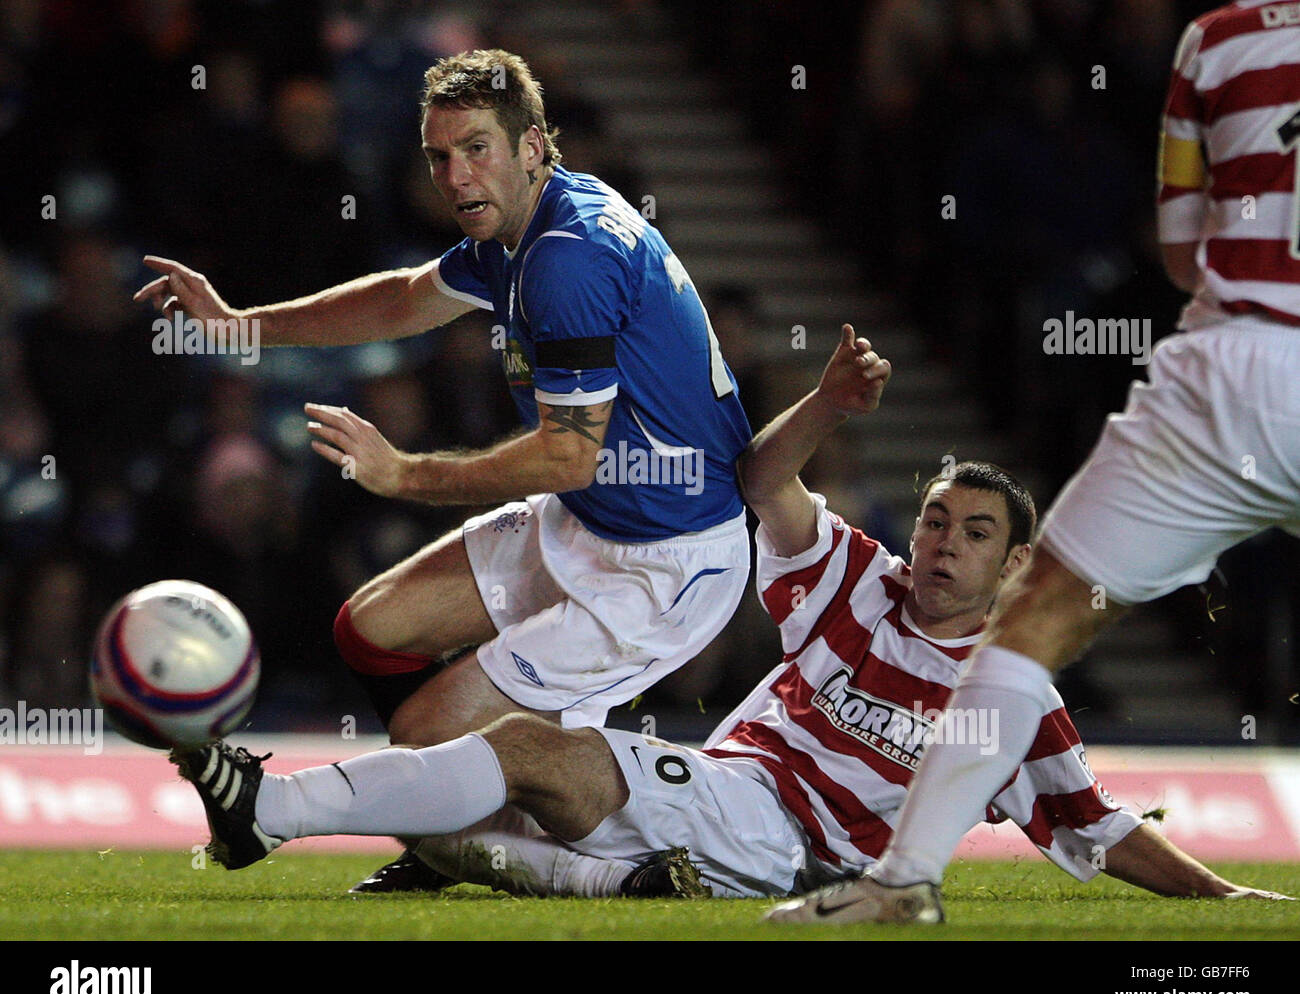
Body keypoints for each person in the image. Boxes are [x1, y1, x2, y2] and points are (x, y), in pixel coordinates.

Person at [170, 327, 1281, 907]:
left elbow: (1095, 828)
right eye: (936, 518)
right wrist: (828, 403)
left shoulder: (1015, 694)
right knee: (454, 824)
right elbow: (762, 483)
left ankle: (268, 805)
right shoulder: (855, 576)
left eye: (972, 532)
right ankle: (621, 884)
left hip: (785, 841)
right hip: (718, 790)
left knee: (515, 752)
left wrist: (1224, 897)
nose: (940, 542)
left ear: (1013, 564)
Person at [133, 51, 753, 886]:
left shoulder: (565, 257)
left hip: (663, 562)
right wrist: (244, 325)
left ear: (533, 145)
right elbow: (404, 298)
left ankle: (567, 867)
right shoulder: (521, 225)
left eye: (476, 149)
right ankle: (451, 829)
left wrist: (405, 475)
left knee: (429, 730)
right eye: (438, 155)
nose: (455, 176)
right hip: (595, 516)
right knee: (372, 628)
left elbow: (569, 455)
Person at [768, 0, 1300, 923]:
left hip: (1239, 367)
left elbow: (1178, 255)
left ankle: (901, 884)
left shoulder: (1221, 39)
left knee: (1035, 621)